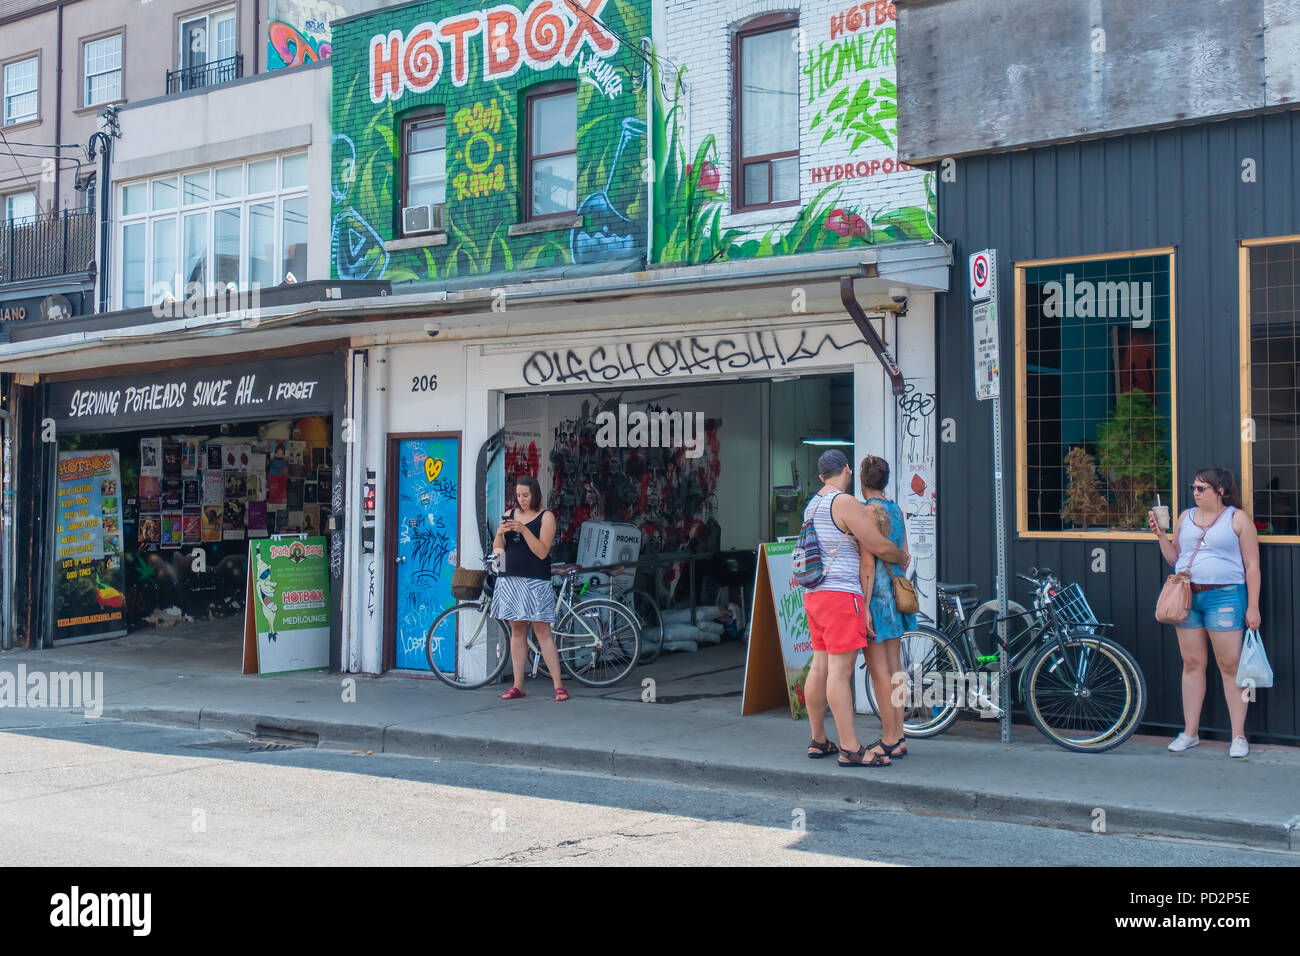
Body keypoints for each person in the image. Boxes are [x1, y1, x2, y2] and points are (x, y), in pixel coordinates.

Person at [802, 449, 910, 768]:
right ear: (846, 471)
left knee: (821, 666)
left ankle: (819, 739)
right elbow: (874, 548)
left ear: (821, 476)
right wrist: (901, 559)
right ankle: (868, 743)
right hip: (855, 595)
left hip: (817, 594)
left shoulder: (812, 505)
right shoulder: (851, 504)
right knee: (873, 670)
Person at [1149, 467, 1260, 757]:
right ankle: (1190, 732)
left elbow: (1252, 566)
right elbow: (1176, 559)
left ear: (1220, 491)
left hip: (1225, 597)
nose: (1196, 493)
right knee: (1192, 663)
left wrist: (1253, 606)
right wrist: (1161, 535)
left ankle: (1238, 736)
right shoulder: (1185, 517)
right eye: (1194, 488)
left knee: (1229, 666)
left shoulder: (1237, 519)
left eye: (1202, 488)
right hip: (1187, 597)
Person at [859, 455, 917, 760]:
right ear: (886, 479)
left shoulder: (866, 514)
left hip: (878, 598)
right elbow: (903, 555)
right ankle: (901, 735)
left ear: (862, 480)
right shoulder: (896, 510)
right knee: (895, 670)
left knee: (878, 671)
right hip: (896, 596)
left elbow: (868, 563)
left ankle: (889, 736)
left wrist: (864, 606)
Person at [492, 475, 568, 702]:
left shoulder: (547, 517)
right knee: (517, 632)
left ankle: (558, 685)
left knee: (542, 632)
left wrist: (524, 530)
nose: (521, 500)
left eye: (525, 495)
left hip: (535, 580)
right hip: (510, 579)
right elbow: (499, 547)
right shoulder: (509, 514)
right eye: (518, 496)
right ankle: (518, 685)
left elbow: (542, 551)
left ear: (534, 494)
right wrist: (499, 533)